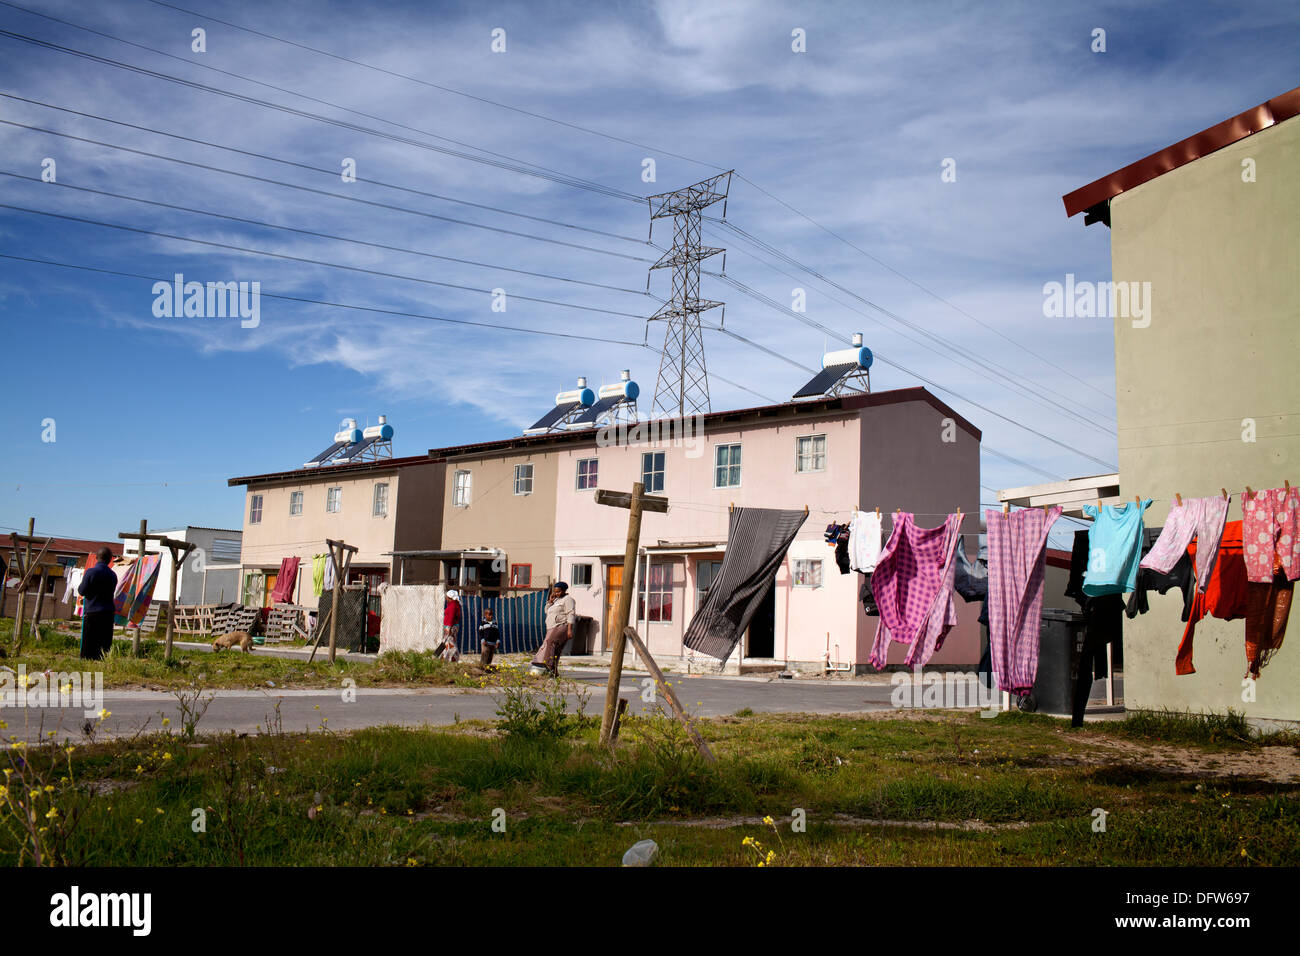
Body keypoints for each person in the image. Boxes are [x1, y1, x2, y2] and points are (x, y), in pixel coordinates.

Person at [77, 547, 118, 660]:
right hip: (108, 612)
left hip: (92, 611)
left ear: (96, 558)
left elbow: (82, 590)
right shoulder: (113, 575)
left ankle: (87, 660)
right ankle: (102, 661)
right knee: (104, 642)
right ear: (110, 560)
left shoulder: (91, 572)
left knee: (89, 641)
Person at [530, 582, 575, 675]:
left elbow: (571, 613)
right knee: (555, 649)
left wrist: (570, 629)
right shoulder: (556, 600)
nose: (556, 593)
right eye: (555, 591)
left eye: (558, 591)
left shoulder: (568, 599)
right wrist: (550, 602)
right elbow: (547, 611)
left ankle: (546, 664)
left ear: (564, 590)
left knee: (549, 642)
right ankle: (554, 672)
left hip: (561, 625)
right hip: (551, 627)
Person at [435, 588, 462, 661]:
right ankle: (441, 657)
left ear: (449, 598)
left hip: (450, 626)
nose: (446, 598)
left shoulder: (453, 606)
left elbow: (451, 617)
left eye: (447, 597)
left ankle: (452, 658)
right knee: (447, 642)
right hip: (451, 626)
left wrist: (449, 628)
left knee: (450, 643)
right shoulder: (454, 605)